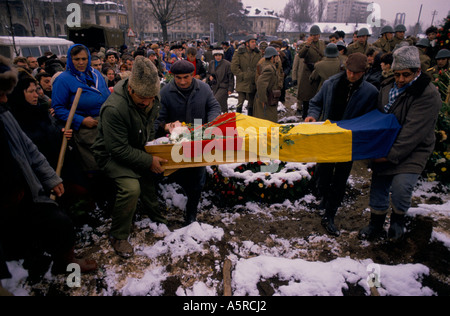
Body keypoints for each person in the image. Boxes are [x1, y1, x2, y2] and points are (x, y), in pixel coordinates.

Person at [0, 55, 97, 285]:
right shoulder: (13, 112)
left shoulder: (7, 114)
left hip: (29, 185)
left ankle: (63, 261)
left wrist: (50, 176)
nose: (37, 94)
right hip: (9, 193)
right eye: (30, 91)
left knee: (61, 219)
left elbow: (29, 148)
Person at [359, 46, 442, 241]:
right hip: (385, 145)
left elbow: (413, 133)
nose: (401, 79)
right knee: (379, 184)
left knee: (401, 186)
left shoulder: (427, 94)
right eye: (397, 74)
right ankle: (376, 223)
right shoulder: (388, 86)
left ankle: (398, 221)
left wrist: (388, 154)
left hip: (413, 149)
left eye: (406, 74)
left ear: (417, 71)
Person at [92, 56, 166, 259]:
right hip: (111, 155)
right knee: (131, 187)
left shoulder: (150, 96)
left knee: (149, 177)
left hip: (136, 147)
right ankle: (118, 235)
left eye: (151, 99)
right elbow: (117, 149)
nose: (148, 103)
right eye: (143, 100)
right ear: (131, 90)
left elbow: (150, 126)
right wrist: (148, 160)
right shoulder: (115, 108)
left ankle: (156, 216)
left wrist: (151, 151)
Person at [305, 53, 379, 236]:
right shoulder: (331, 84)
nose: (352, 75)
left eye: (357, 73)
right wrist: (313, 114)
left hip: (349, 142)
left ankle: (330, 213)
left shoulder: (370, 92)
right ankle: (323, 198)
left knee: (340, 178)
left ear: (364, 72)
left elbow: (371, 117)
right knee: (323, 171)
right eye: (350, 71)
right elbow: (316, 102)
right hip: (329, 137)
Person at [156, 60, 221, 225]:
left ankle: (191, 211)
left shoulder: (203, 88)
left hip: (198, 137)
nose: (183, 81)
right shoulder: (165, 93)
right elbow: (158, 119)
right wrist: (166, 126)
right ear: (173, 77)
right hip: (175, 141)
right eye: (178, 78)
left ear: (193, 75)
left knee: (198, 176)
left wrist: (211, 124)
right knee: (179, 174)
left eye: (186, 77)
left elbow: (214, 106)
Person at [52, 44, 110, 173]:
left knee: (111, 163)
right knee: (96, 168)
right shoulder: (63, 80)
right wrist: (81, 120)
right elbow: (58, 108)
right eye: (76, 59)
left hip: (106, 124)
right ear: (70, 59)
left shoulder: (95, 74)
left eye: (84, 59)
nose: (81, 62)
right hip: (87, 130)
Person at [297, 25, 326, 119]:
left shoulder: (322, 44)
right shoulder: (305, 44)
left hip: (319, 72)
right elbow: (301, 54)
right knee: (307, 97)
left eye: (317, 34)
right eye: (313, 35)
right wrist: (307, 45)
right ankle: (305, 116)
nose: (315, 36)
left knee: (317, 95)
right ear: (310, 35)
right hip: (308, 73)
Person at [231, 35, 261, 116]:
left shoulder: (258, 53)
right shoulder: (239, 53)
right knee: (240, 101)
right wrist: (242, 75)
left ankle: (250, 120)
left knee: (251, 103)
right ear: (247, 43)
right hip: (242, 81)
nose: (254, 44)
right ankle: (237, 118)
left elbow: (260, 66)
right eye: (252, 42)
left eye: (255, 42)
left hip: (253, 81)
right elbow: (234, 67)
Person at [254, 47, 282, 123]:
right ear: (272, 57)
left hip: (269, 98)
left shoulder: (269, 65)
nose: (278, 58)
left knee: (268, 121)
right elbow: (260, 83)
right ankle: (273, 135)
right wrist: (263, 100)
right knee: (268, 122)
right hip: (266, 99)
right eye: (277, 56)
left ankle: (272, 135)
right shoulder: (269, 68)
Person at [207, 48, 235, 113]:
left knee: (215, 100)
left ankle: (217, 116)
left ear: (222, 55)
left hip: (224, 87)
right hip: (214, 86)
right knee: (223, 105)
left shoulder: (227, 64)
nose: (218, 57)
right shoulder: (211, 63)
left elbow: (231, 77)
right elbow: (208, 73)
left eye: (219, 55)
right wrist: (209, 77)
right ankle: (224, 118)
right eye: (216, 55)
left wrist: (230, 89)